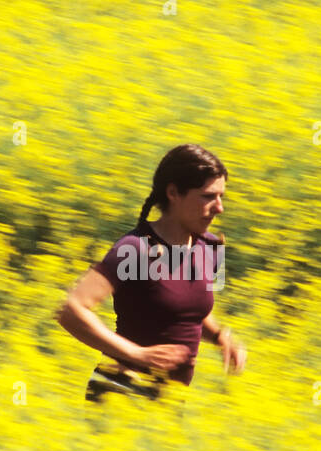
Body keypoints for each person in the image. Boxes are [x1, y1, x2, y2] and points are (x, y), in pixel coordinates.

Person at [55, 144, 246, 403]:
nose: (219, 207)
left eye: (221, 196)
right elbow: (70, 310)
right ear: (173, 193)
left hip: (169, 400)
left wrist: (221, 336)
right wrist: (136, 354)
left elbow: (188, 309)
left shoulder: (212, 247)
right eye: (207, 197)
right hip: (120, 391)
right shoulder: (136, 249)